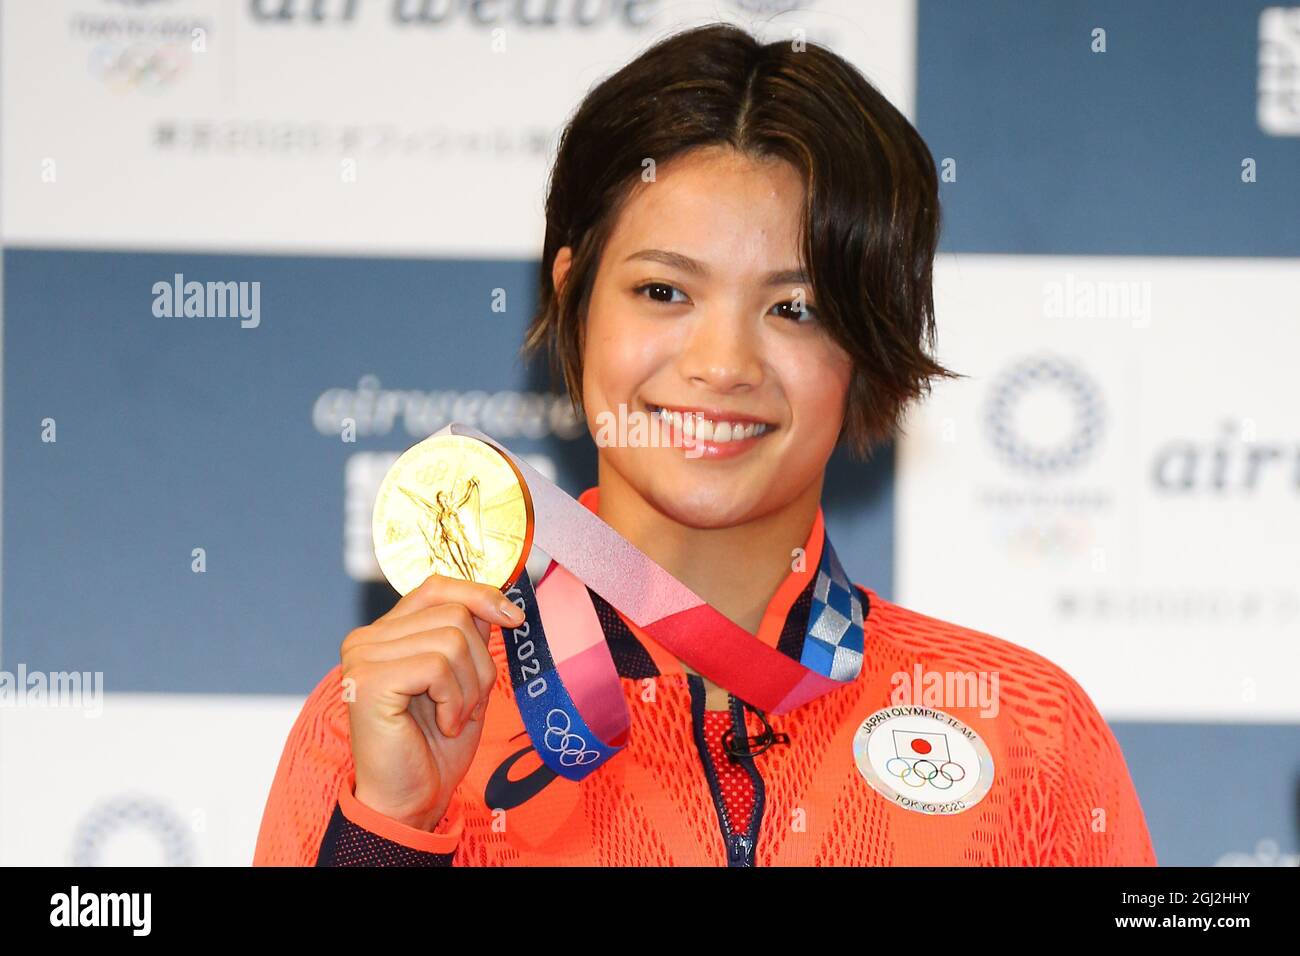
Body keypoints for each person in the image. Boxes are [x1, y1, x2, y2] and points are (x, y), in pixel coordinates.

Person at [253, 22, 1156, 867]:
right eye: (664, 292)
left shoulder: (1027, 731)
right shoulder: (389, 721)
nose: (723, 365)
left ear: (867, 345)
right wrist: (392, 835)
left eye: (793, 309)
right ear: (572, 298)